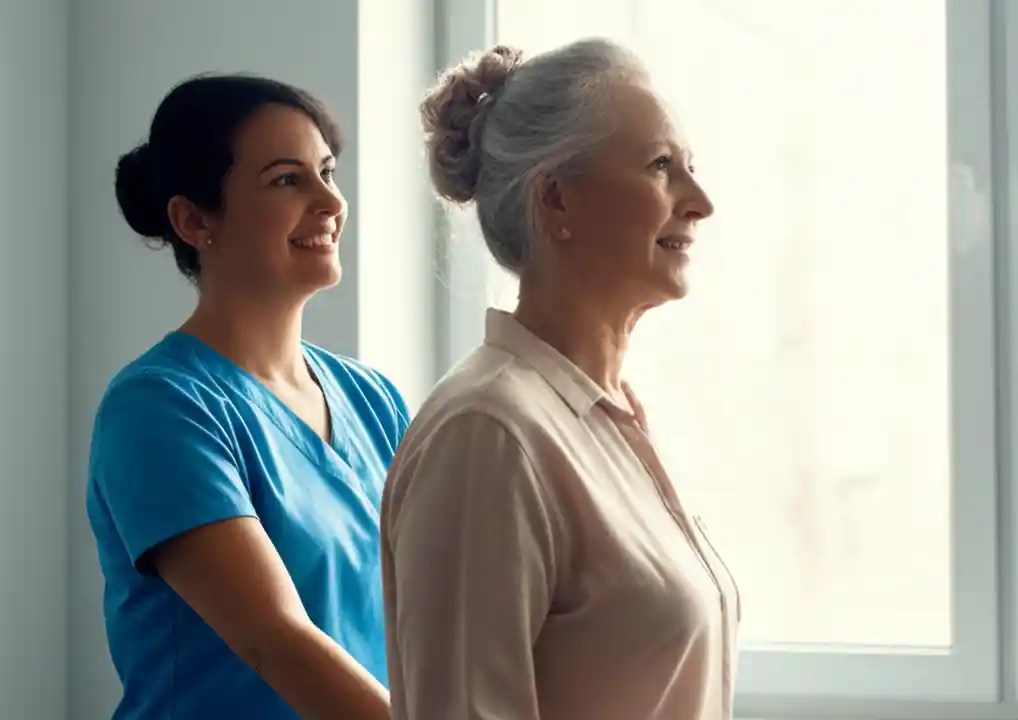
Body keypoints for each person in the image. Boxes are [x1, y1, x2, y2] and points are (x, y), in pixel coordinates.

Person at [381, 39, 740, 719]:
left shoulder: (614, 418)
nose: (701, 202)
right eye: (662, 167)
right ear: (555, 201)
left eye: (690, 167)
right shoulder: (488, 433)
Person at [87, 74, 408, 720]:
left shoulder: (375, 400)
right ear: (194, 220)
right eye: (287, 179)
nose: (330, 202)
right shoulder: (158, 408)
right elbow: (275, 640)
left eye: (326, 171)